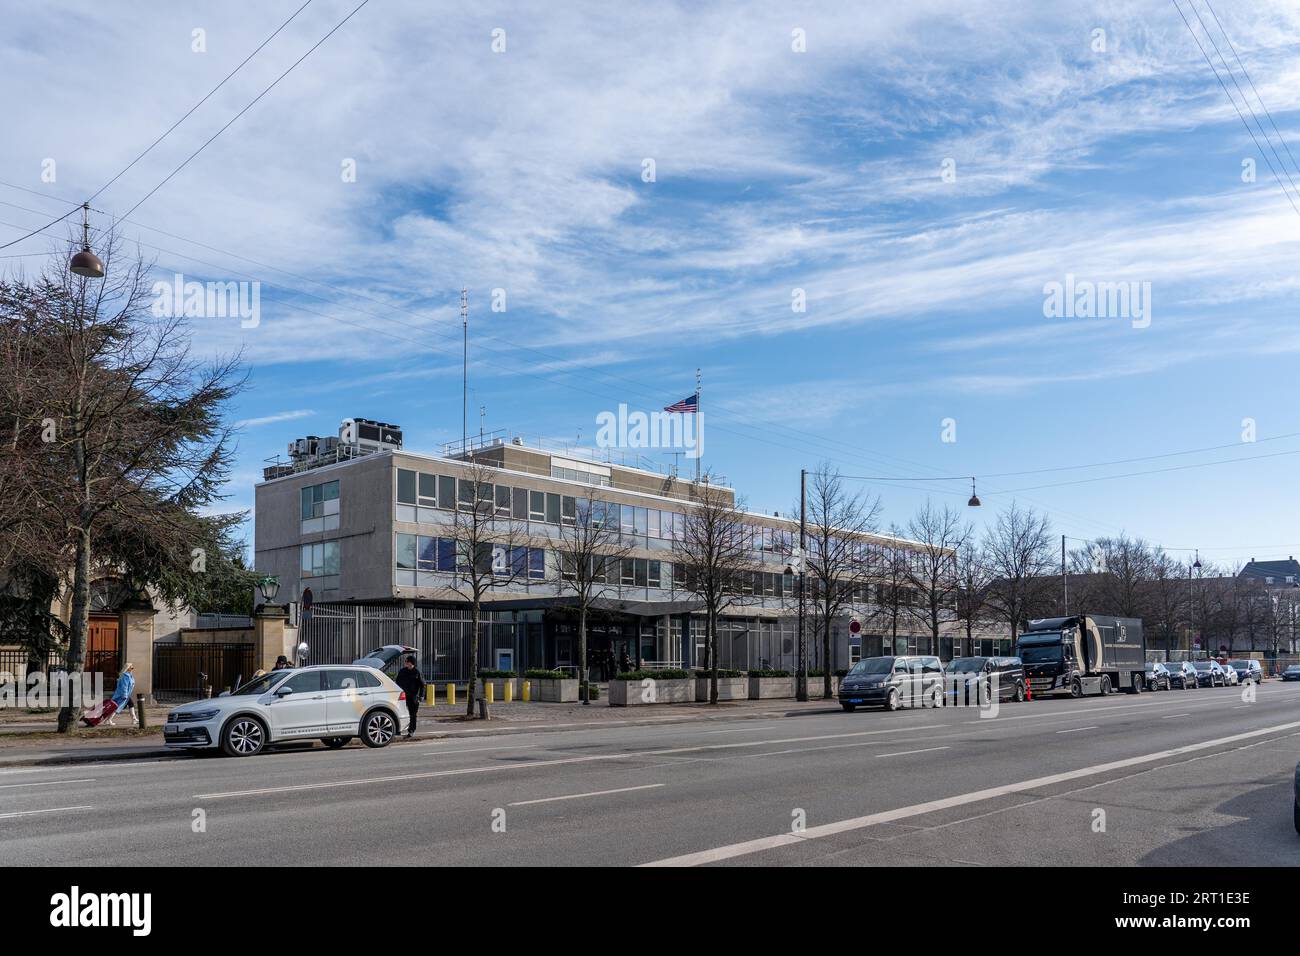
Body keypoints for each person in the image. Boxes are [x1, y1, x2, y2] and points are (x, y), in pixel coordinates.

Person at [393, 654, 424, 737]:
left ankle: (411, 730)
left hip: (413, 696)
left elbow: (422, 685)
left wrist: (421, 696)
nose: (405, 663)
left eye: (407, 661)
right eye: (405, 661)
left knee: (413, 714)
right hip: (402, 696)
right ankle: (397, 730)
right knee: (398, 713)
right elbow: (397, 681)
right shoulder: (402, 671)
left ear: (411, 663)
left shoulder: (417, 672)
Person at [106, 663, 135, 727]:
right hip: (122, 695)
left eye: (132, 667)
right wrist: (124, 695)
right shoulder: (125, 676)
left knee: (131, 704)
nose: (132, 669)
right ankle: (109, 719)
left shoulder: (129, 675)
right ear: (127, 668)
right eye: (131, 667)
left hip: (126, 694)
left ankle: (134, 719)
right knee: (116, 707)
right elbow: (124, 686)